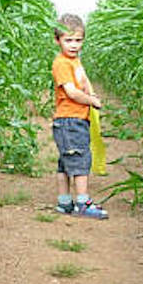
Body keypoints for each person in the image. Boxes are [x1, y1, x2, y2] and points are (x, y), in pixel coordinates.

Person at [51, 13, 108, 219]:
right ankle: (83, 203)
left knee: (66, 163)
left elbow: (83, 81)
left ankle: (64, 203)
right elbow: (72, 92)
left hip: (74, 120)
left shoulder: (74, 61)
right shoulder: (62, 63)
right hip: (70, 121)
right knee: (80, 161)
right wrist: (92, 100)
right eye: (68, 40)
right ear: (57, 40)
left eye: (78, 40)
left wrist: (91, 92)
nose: (74, 45)